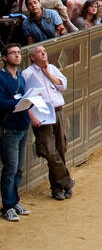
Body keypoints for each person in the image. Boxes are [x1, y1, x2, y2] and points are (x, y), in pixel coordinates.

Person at [22, 43, 74, 200]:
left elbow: (63, 85)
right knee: (49, 151)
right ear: (32, 57)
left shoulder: (52, 68)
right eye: (40, 52)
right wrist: (32, 117)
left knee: (61, 148)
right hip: (42, 114)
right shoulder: (27, 73)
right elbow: (26, 98)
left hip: (58, 111)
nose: (44, 53)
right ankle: (66, 181)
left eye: (44, 51)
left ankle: (58, 188)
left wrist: (47, 74)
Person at [0, 45, 31, 221]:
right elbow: (1, 102)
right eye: (13, 53)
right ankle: (7, 206)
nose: (18, 56)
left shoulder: (20, 77)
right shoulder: (1, 78)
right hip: (9, 128)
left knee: (19, 168)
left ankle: (14, 201)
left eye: (19, 53)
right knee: (10, 169)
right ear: (4, 58)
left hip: (22, 125)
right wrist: (16, 103)